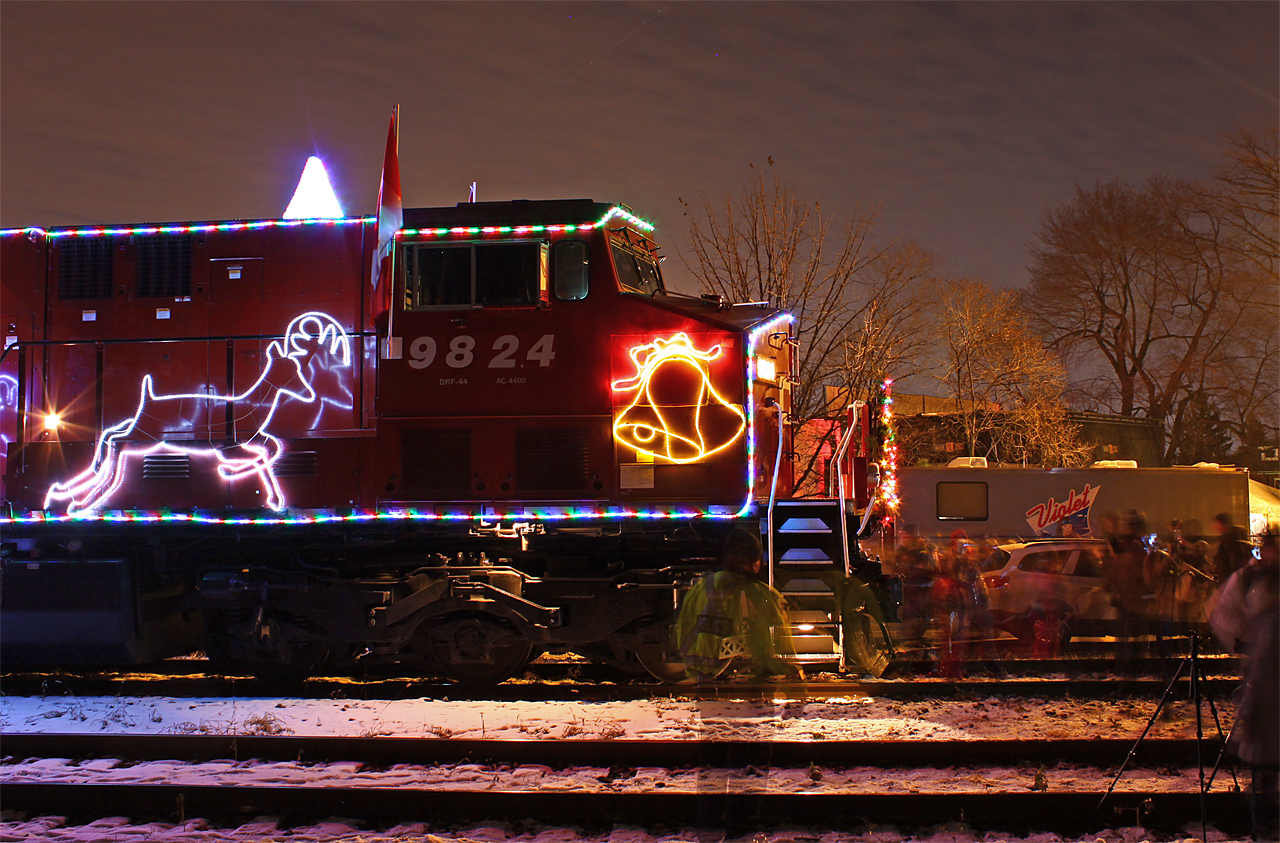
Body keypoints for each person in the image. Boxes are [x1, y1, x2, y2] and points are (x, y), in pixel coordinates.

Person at [1210, 530, 1279, 841]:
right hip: (1264, 677)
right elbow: (1224, 614)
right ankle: (1261, 816)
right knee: (1264, 746)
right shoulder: (1249, 579)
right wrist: (1246, 646)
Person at [676, 528, 796, 683]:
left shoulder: (701, 587)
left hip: (699, 673)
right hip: (740, 677)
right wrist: (788, 668)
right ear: (755, 563)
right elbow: (774, 638)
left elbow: (683, 626)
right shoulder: (761, 594)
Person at [1105, 510, 1151, 678]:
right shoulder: (1140, 548)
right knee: (1137, 633)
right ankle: (1135, 666)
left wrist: (1111, 587)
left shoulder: (1125, 552)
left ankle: (1124, 666)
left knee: (1125, 633)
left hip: (1127, 598)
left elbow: (1116, 571)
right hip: (1136, 598)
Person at [1211, 512, 1252, 584]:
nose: (1214, 526)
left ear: (1223, 524)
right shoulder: (1233, 538)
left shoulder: (1230, 540)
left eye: (1216, 523)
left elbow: (1232, 561)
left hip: (1232, 581)